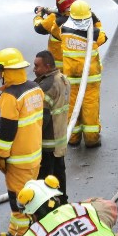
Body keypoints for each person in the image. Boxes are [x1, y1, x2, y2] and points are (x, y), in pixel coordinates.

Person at [0, 48, 45, 236]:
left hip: (19, 158)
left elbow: (7, 130)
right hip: (35, 154)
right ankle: (35, 224)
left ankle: (18, 231)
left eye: (0, 71)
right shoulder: (35, 89)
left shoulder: (10, 97)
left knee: (17, 196)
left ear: (7, 72)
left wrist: (0, 156)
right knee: (33, 191)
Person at [49, 0, 107, 145]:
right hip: (90, 79)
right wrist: (96, 21)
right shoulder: (94, 33)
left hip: (70, 79)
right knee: (90, 107)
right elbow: (104, 38)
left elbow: (54, 31)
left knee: (71, 107)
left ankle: (73, 138)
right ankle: (91, 139)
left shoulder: (63, 30)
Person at [34, 51, 71, 194]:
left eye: (37, 66)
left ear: (47, 67)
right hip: (59, 142)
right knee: (59, 176)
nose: (34, 69)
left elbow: (43, 118)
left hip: (47, 144)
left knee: (46, 182)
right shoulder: (62, 79)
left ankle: (49, 211)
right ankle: (63, 204)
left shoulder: (46, 87)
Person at [33, 0, 83, 66]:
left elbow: (39, 27)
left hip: (60, 68)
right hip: (81, 66)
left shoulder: (56, 19)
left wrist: (39, 15)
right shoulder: (85, 17)